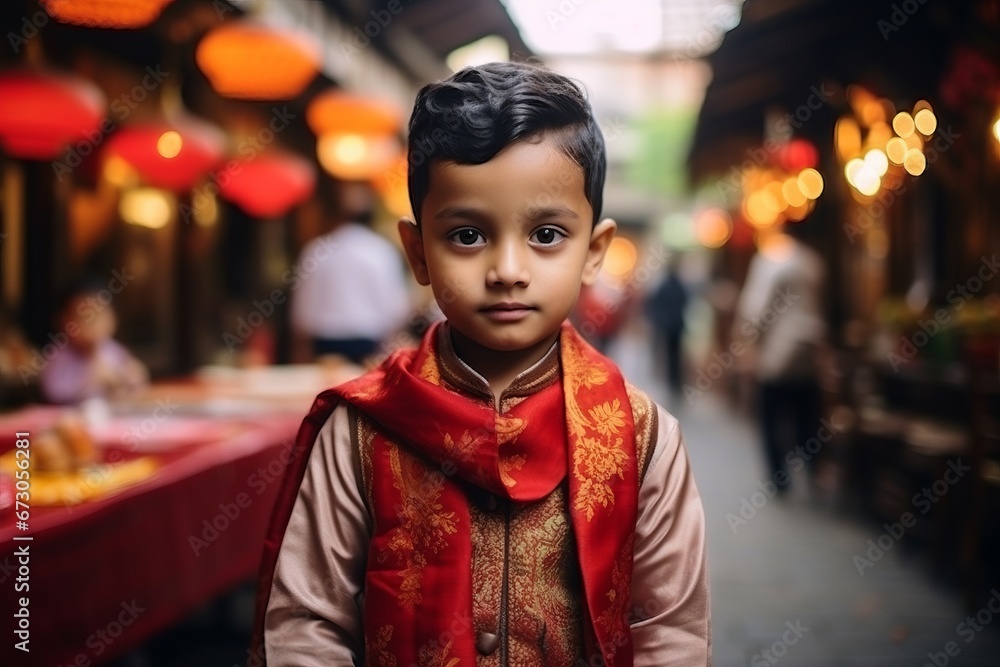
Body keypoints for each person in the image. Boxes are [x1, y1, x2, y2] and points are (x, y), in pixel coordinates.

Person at [252, 62, 710, 666]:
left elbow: (670, 631)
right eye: (467, 236)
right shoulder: (362, 429)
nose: (508, 269)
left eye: (547, 234)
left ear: (593, 252)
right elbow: (305, 624)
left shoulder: (642, 434)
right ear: (418, 252)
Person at [733, 225, 826, 494]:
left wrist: (747, 343)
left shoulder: (769, 261)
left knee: (771, 416)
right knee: (807, 416)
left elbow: (757, 310)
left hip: (777, 355)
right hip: (809, 351)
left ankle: (779, 476)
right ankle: (812, 469)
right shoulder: (813, 261)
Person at [290, 189, 413, 365]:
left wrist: (300, 349)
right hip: (368, 341)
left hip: (324, 342)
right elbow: (395, 307)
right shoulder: (381, 250)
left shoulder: (315, 249)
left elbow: (303, 308)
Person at [40, 282, 148, 404]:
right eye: (84, 317)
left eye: (99, 315)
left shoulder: (114, 351)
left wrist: (132, 378)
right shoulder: (58, 355)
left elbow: (134, 381)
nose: (93, 324)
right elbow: (53, 392)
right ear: (64, 320)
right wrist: (89, 382)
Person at [645, 256, 689, 393]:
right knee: (675, 354)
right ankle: (675, 379)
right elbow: (685, 301)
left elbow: (655, 303)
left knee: (667, 353)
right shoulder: (679, 286)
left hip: (667, 325)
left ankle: (671, 378)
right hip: (676, 325)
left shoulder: (664, 286)